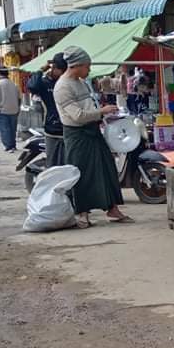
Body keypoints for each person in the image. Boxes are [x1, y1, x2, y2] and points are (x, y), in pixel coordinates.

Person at [53, 46, 129, 228]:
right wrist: (100, 111)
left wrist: (104, 114)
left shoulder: (81, 82)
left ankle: (112, 209)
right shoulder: (62, 87)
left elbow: (89, 106)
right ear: (76, 65)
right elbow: (77, 116)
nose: (89, 70)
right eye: (87, 66)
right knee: (82, 173)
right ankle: (82, 212)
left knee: (107, 168)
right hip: (78, 135)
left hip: (93, 131)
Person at [27, 53, 67, 167]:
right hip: (52, 130)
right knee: (52, 164)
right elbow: (32, 86)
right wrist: (40, 70)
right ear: (53, 68)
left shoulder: (67, 82)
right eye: (61, 70)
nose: (63, 74)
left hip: (69, 129)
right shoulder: (44, 83)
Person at [0, 66, 20, 153]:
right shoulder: (14, 85)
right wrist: (18, 108)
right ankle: (13, 145)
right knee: (12, 129)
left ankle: (9, 146)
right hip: (14, 110)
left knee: (4, 129)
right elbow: (19, 98)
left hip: (2, 110)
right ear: (8, 74)